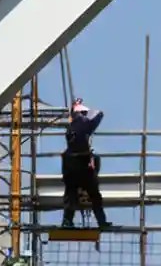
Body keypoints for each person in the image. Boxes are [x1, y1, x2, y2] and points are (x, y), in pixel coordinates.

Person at [61, 98, 112, 229]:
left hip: (70, 166)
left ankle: (67, 221)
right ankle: (101, 222)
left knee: (70, 194)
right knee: (95, 195)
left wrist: (75, 108)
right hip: (83, 167)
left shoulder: (70, 128)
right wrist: (81, 108)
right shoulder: (86, 124)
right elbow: (99, 114)